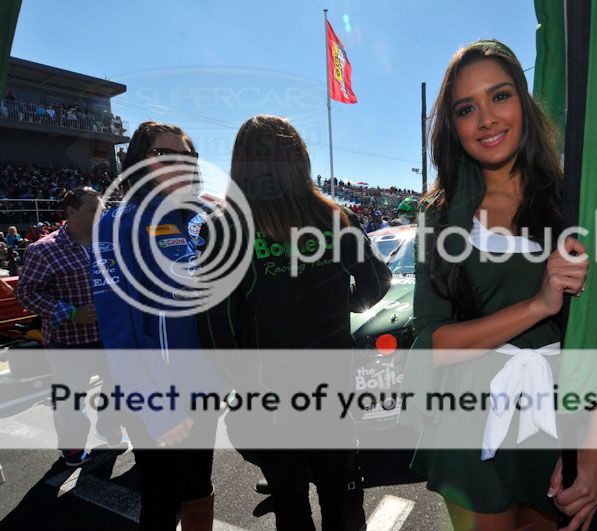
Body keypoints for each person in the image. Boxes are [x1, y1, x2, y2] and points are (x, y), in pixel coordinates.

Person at [405, 40, 597, 531]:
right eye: (466, 108)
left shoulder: (577, 200)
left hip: (561, 421)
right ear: (452, 127)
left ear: (523, 100)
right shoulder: (434, 218)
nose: (486, 119)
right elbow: (431, 343)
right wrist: (539, 305)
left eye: (499, 96)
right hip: (470, 427)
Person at [200, 114, 391, 530]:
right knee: (341, 497)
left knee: (290, 505)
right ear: (300, 160)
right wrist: (346, 302)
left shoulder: (224, 229)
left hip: (269, 399)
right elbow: (377, 282)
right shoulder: (336, 218)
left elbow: (218, 331)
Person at [92, 121, 221, 529]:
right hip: (158, 396)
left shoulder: (202, 221)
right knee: (162, 500)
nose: (181, 165)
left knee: (199, 489)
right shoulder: (116, 224)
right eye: (166, 156)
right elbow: (118, 332)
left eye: (189, 157)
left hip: (204, 390)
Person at [14, 187, 122, 467]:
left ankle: (109, 428)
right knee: (70, 398)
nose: (100, 215)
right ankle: (73, 446)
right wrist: (71, 313)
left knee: (116, 388)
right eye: (92, 210)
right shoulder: (44, 250)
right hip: (68, 339)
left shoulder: (107, 244)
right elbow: (26, 293)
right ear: (71, 212)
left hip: (108, 336)